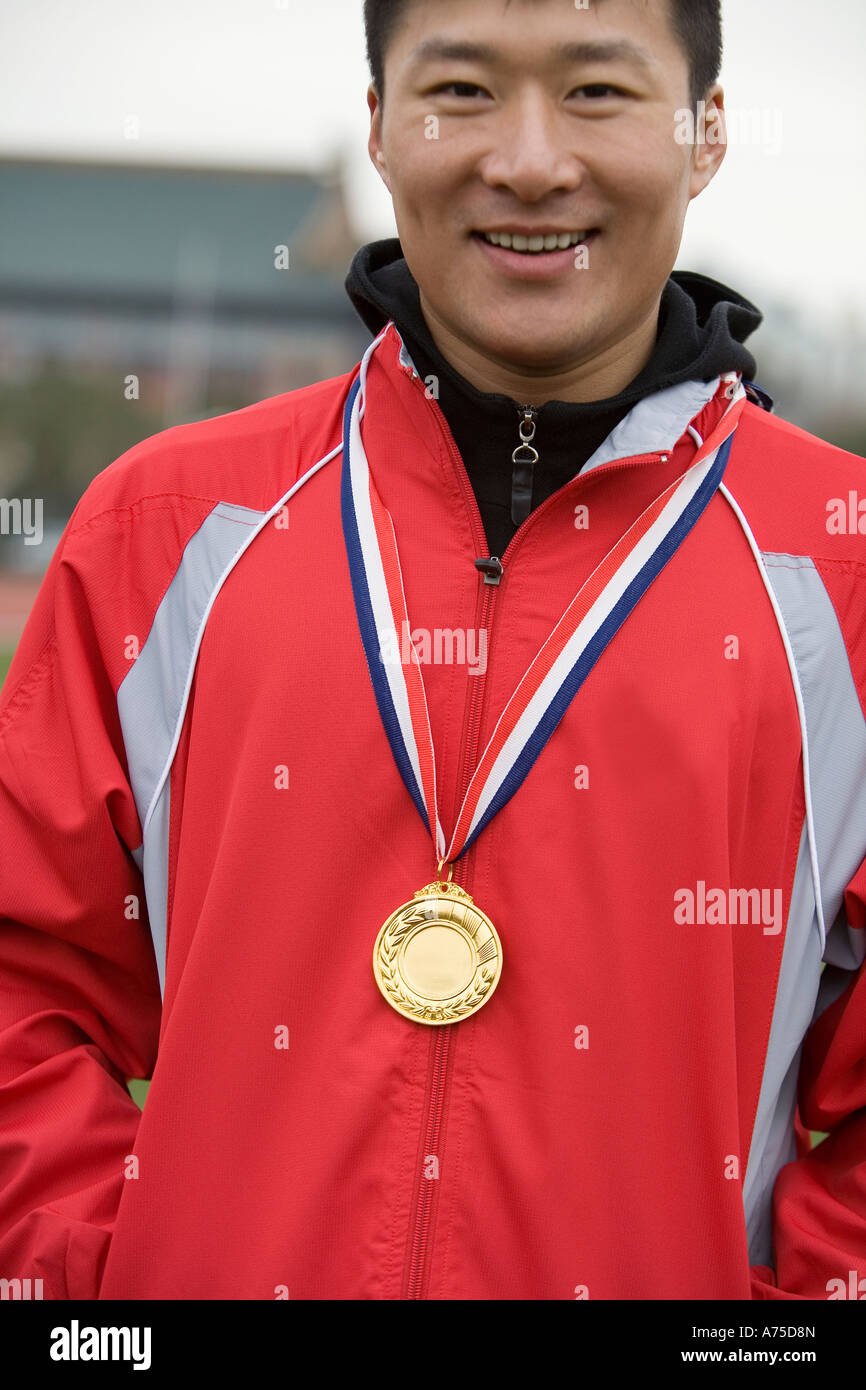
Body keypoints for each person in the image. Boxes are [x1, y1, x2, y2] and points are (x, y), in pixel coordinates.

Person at [0, 0, 864, 1302]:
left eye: (594, 92)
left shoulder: (841, 569)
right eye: (459, 89)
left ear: (703, 134)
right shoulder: (165, 529)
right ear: (380, 131)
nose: (525, 160)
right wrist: (116, 1284)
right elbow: (24, 980)